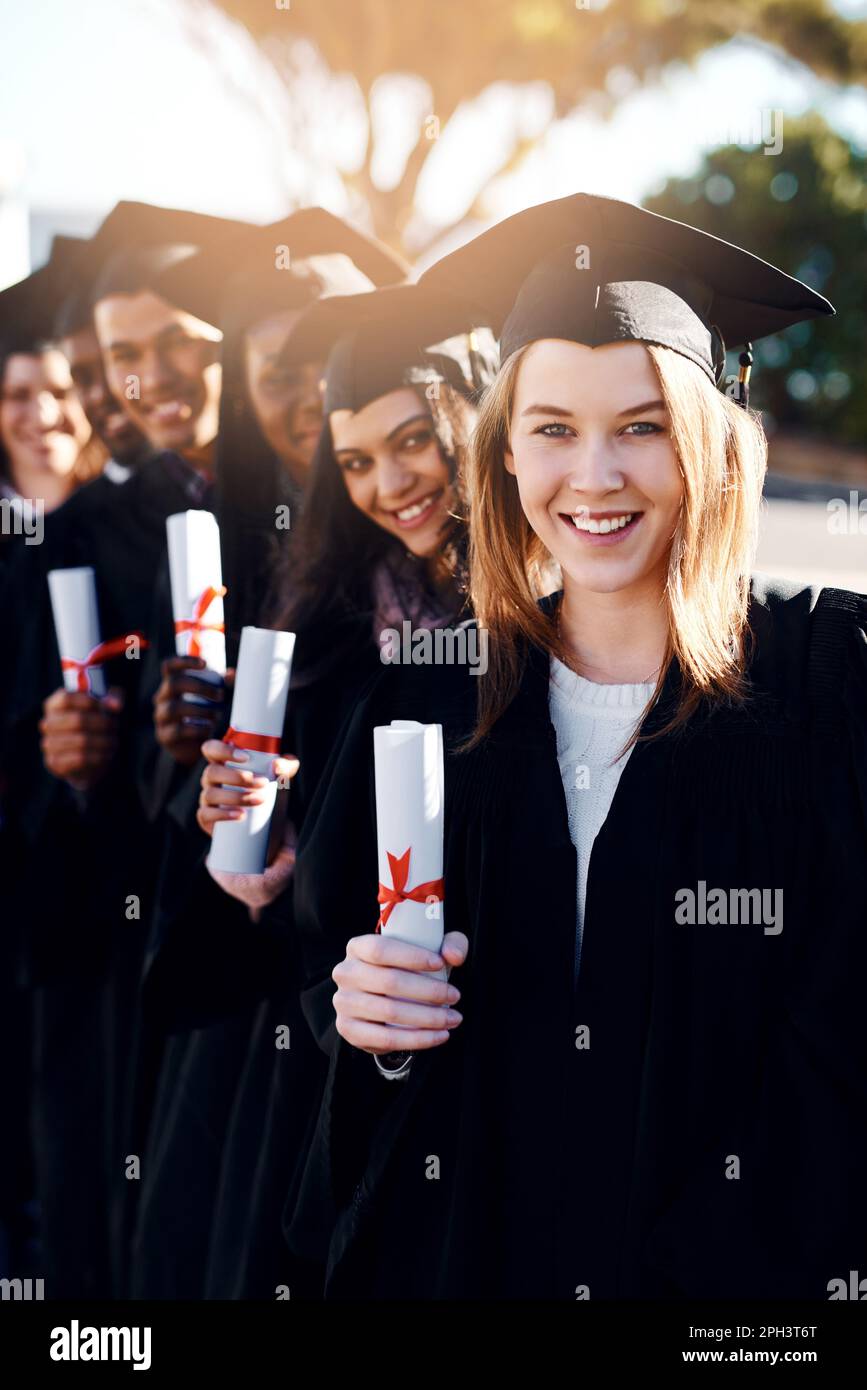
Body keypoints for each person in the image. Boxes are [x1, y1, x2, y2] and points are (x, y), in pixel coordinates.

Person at [288, 193, 867, 1300]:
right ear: (504, 455)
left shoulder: (828, 687)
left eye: (641, 425)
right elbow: (347, 1029)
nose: (593, 476)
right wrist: (375, 1029)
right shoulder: (429, 710)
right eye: (552, 428)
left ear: (706, 445)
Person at [125, 223, 410, 1300]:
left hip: (372, 1004)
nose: (309, 391)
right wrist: (182, 764)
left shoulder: (423, 552)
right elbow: (185, 841)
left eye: (331, 362)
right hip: (253, 1009)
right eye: (277, 369)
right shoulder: (236, 561)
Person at [0, 203, 246, 1298]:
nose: (138, 384)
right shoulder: (92, 530)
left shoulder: (295, 503)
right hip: (113, 928)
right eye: (116, 361)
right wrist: (74, 753)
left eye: (168, 350)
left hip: (250, 937)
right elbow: (42, 723)